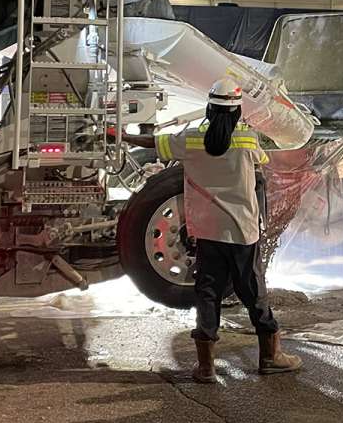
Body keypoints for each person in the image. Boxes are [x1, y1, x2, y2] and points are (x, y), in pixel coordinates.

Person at [123, 78, 302, 383]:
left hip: (206, 231)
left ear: (209, 108)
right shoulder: (246, 140)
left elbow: (156, 145)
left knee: (207, 293)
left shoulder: (191, 140)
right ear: (236, 112)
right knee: (253, 292)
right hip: (242, 231)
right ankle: (271, 357)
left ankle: (206, 367)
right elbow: (261, 163)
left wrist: (124, 136)